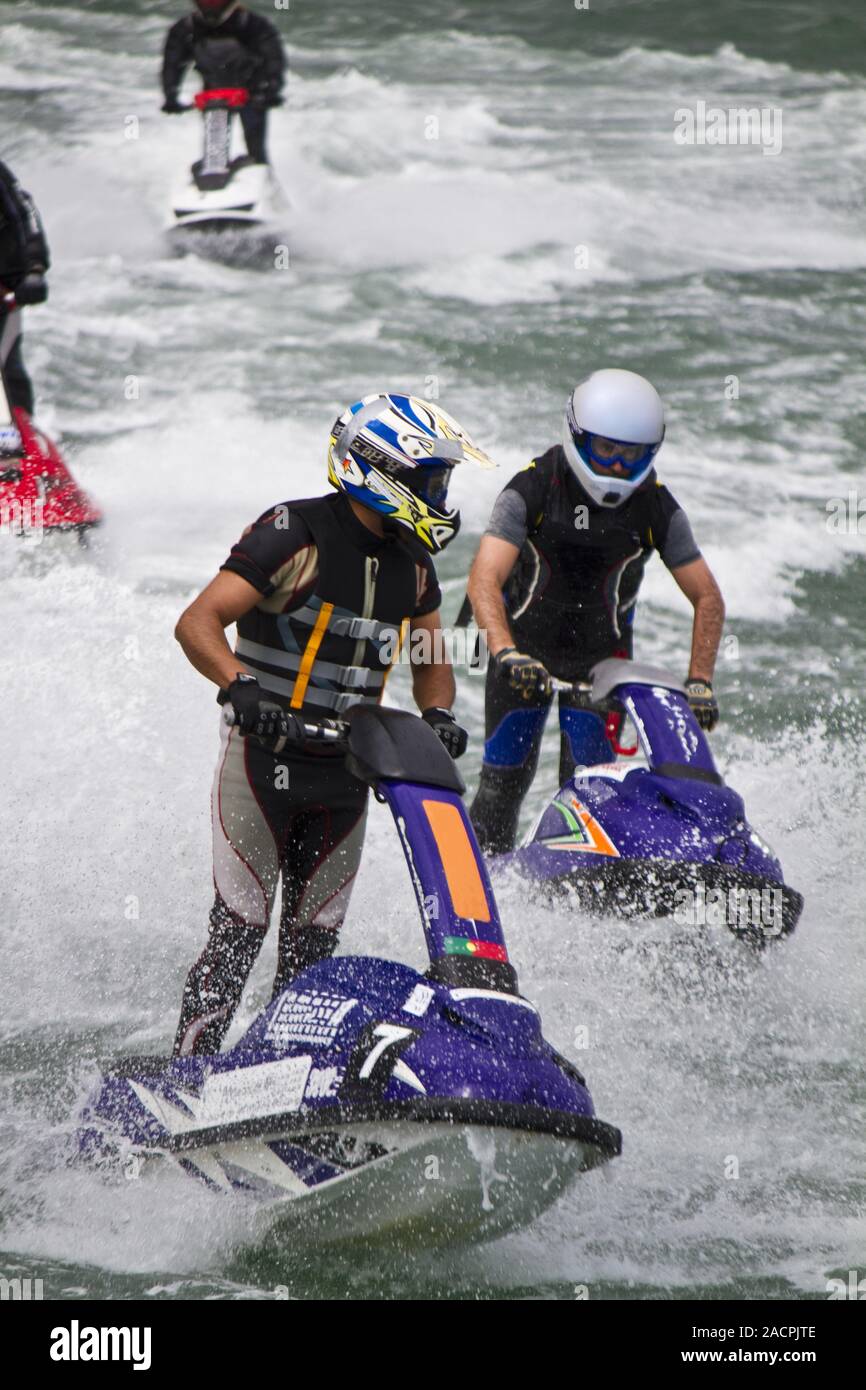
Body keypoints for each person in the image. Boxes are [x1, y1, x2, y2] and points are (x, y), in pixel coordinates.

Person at [172, 393, 494, 1057]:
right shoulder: (293, 532)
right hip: (261, 762)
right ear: (379, 471)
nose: (440, 494)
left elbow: (431, 657)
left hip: (345, 774)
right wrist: (242, 686)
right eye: (431, 480)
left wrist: (438, 715)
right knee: (239, 932)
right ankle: (188, 1070)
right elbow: (197, 622)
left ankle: (280, 1074)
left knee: (313, 950)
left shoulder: (413, 564)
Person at [466, 367, 725, 854]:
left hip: (601, 672)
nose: (617, 466)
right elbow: (485, 579)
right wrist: (505, 654)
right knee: (501, 788)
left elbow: (707, 597)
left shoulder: (658, 508)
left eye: (632, 455)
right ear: (578, 436)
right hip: (522, 662)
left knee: (591, 794)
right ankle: (486, 895)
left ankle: (582, 900)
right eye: (606, 450)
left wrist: (700, 681)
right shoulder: (532, 489)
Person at [161, 2, 286, 165]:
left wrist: (272, 89)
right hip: (214, 95)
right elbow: (172, 63)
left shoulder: (252, 24)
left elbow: (273, 59)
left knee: (255, 146)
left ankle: (259, 167)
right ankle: (212, 176)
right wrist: (170, 95)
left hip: (252, 94)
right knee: (215, 154)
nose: (210, 8)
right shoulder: (186, 28)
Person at [0, 159, 50, 416]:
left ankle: (15, 441)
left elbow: (26, 213)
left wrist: (34, 270)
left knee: (7, 371)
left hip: (4, 295)